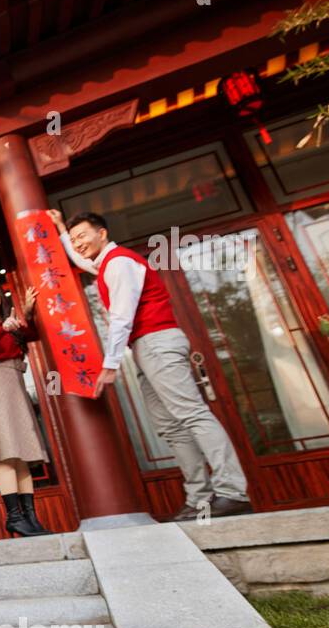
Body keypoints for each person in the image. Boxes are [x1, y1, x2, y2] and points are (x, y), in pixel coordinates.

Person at [48, 209, 252, 520]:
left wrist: (111, 363)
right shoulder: (106, 263)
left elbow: (122, 316)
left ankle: (232, 492)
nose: (78, 244)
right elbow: (81, 261)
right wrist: (62, 229)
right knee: (170, 426)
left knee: (192, 413)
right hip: (146, 348)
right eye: (74, 240)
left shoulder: (119, 263)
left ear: (102, 234)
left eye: (83, 236)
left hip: (157, 342)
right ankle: (200, 498)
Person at [0, 279, 52, 537]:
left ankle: (30, 518)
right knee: (6, 452)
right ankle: (14, 517)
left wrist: (26, 314)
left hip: (15, 382)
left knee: (22, 453)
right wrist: (3, 329)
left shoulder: (11, 319)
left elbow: (33, 335)